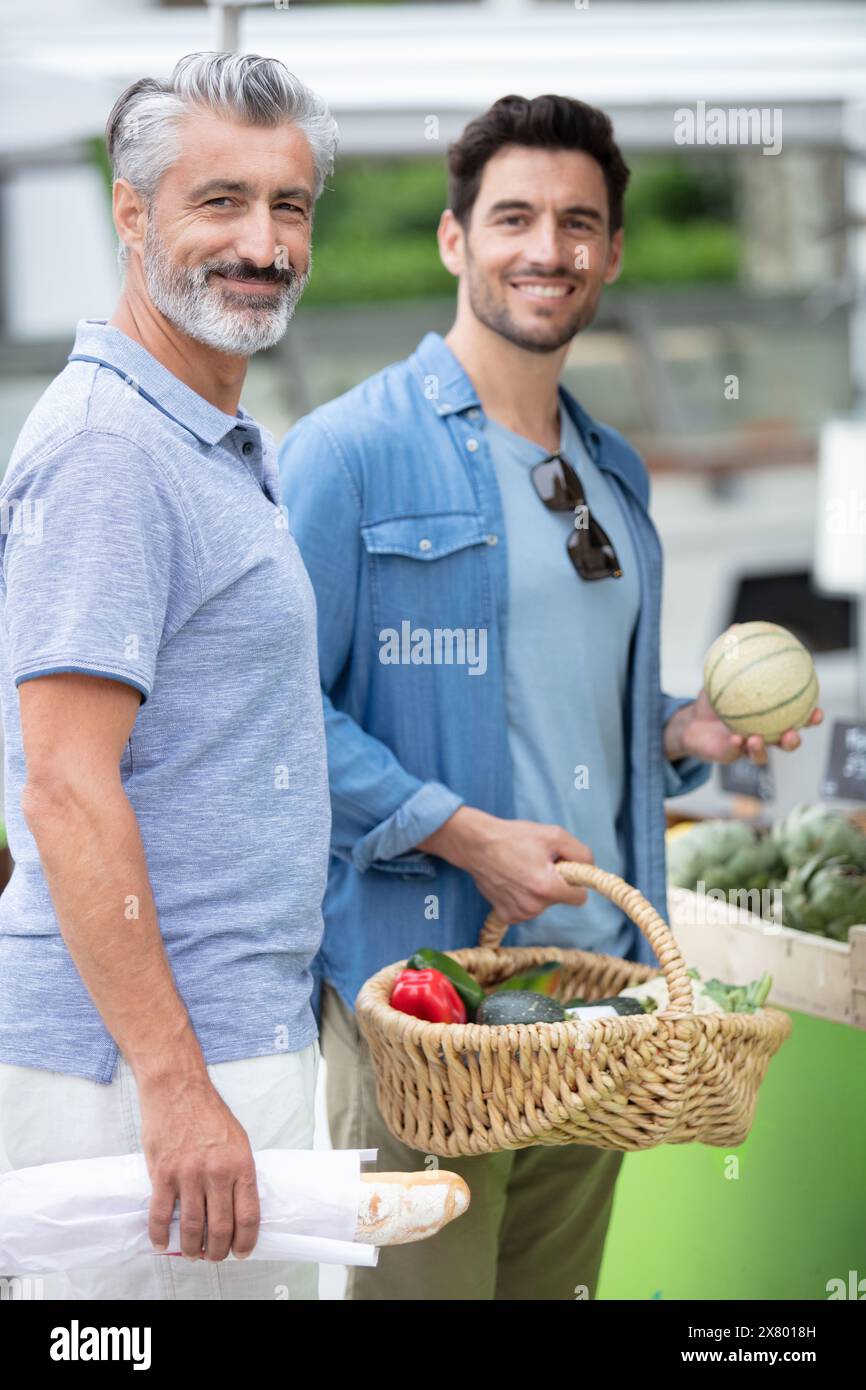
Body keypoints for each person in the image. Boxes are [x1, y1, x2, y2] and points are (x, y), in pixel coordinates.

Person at [278, 93, 822, 1301]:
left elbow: (569, 702)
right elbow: (271, 720)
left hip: (592, 996)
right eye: (513, 215)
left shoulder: (610, 474)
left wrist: (682, 732)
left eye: (578, 223)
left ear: (612, 253)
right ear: (452, 239)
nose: (547, 248)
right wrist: (463, 832)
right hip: (425, 1003)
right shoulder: (348, 453)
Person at [0, 51, 338, 1301]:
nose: (262, 242)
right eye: (220, 201)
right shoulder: (109, 453)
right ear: (130, 213)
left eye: (288, 206)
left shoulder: (199, 437)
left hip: (217, 1045)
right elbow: (65, 793)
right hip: (142, 1081)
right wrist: (178, 1085)